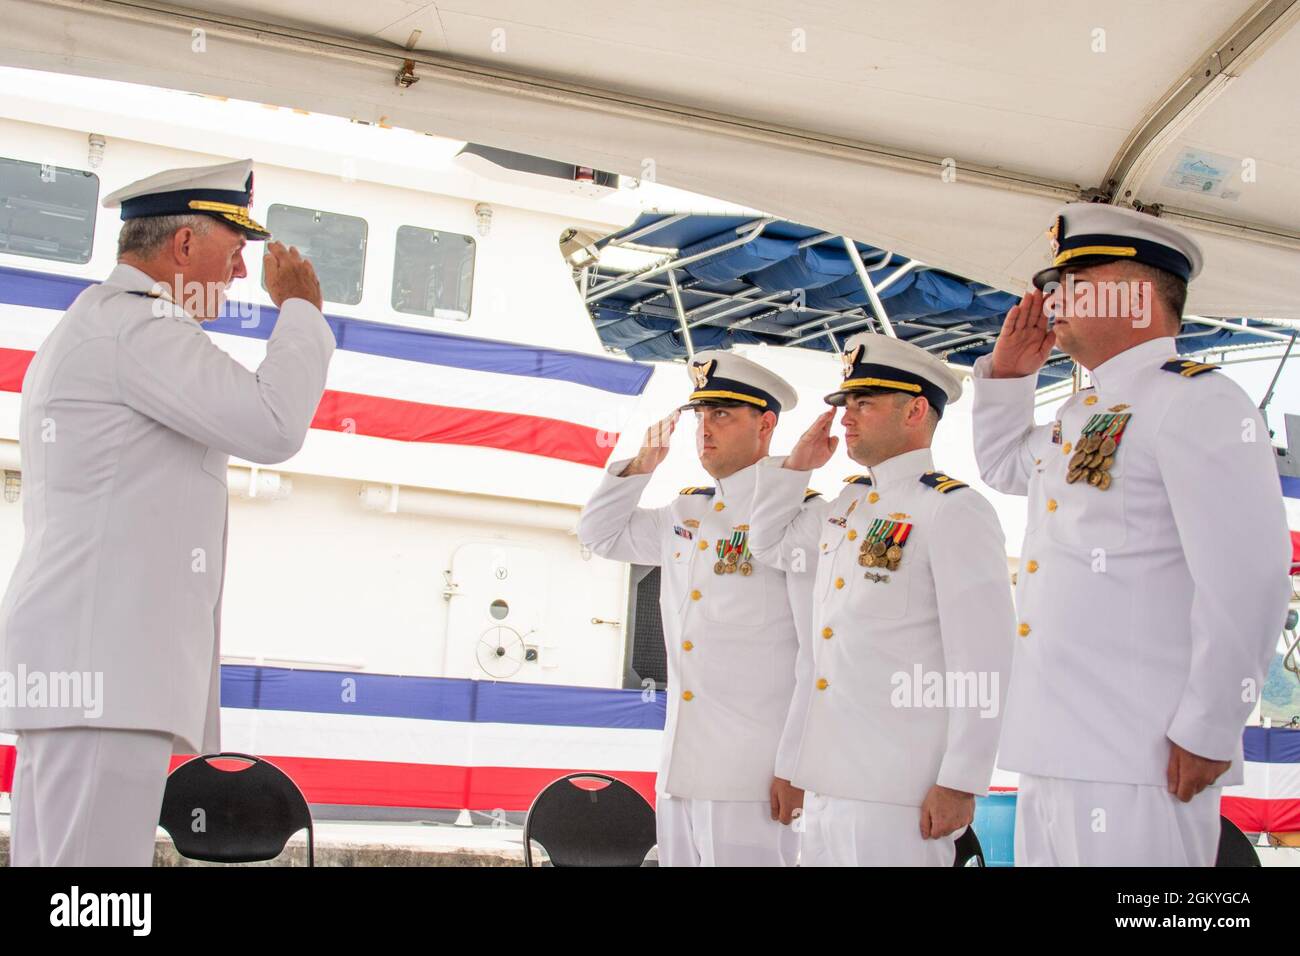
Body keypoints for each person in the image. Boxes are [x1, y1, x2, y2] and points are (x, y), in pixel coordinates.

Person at [0, 158, 335, 866]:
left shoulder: (106, 327)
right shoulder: (139, 329)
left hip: (90, 674)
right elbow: (273, 424)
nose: (243, 273)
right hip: (104, 681)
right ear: (183, 248)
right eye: (235, 249)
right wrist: (301, 311)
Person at [971, 202, 1292, 866]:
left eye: (1074, 280)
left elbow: (1248, 577)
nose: (1051, 298)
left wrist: (1209, 729)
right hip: (1057, 747)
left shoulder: (1196, 400)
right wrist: (1010, 378)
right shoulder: (1083, 411)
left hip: (1143, 755)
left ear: (1140, 293)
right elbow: (1005, 467)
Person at [749, 333, 1015, 865]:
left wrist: (961, 780)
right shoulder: (846, 503)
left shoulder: (953, 510)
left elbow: (985, 657)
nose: (846, 417)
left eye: (863, 404)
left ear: (916, 410)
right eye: (846, 404)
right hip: (828, 783)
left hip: (901, 792)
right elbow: (769, 543)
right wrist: (797, 467)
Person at [577, 350, 817, 866]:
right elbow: (600, 534)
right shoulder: (687, 511)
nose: (704, 430)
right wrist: (641, 467)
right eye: (701, 416)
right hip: (682, 768)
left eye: (722, 415)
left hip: (757, 776)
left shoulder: (802, 515)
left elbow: (815, 657)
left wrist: (797, 766)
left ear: (766, 424)